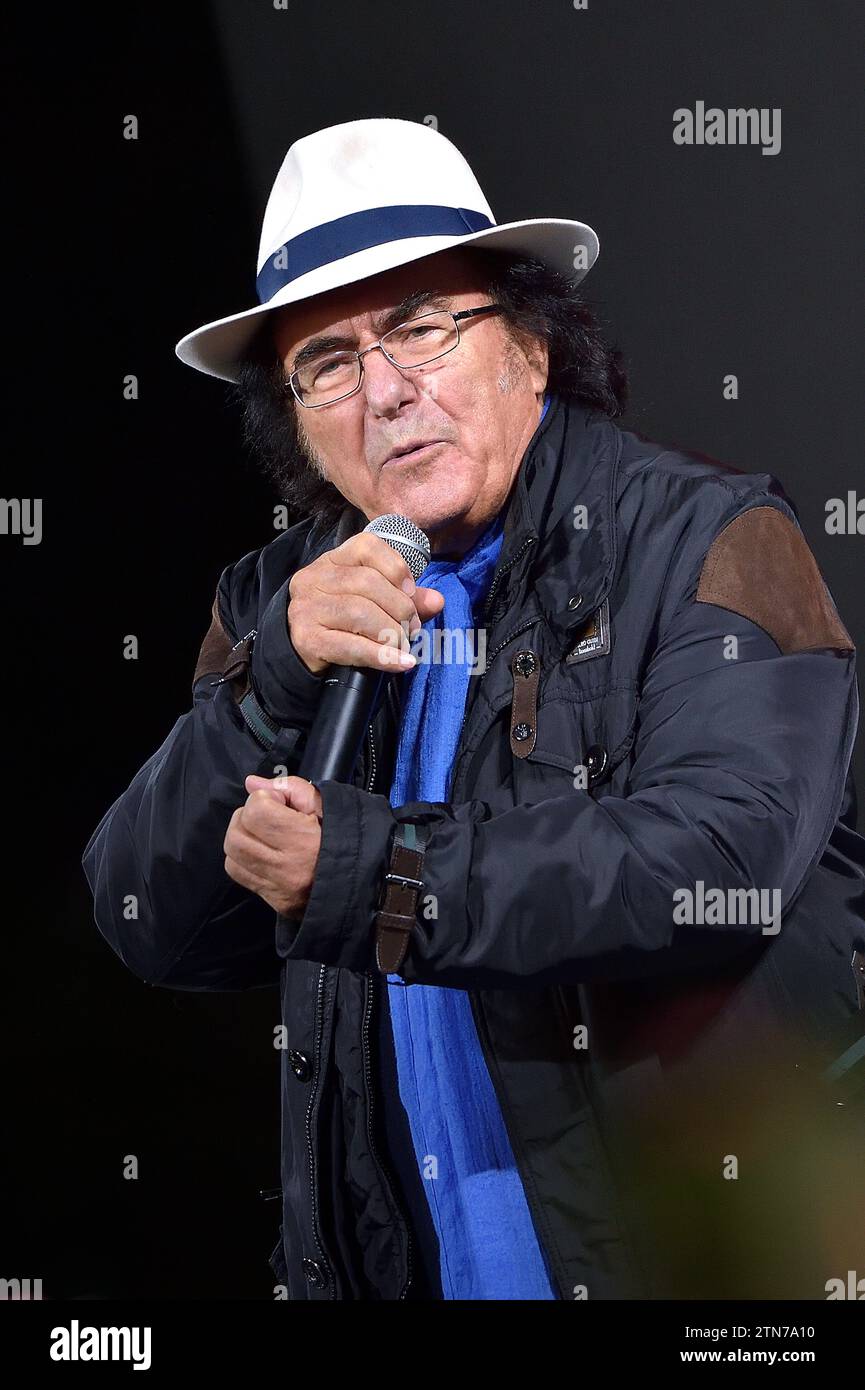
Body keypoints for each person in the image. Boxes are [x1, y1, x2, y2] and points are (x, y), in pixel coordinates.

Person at [83, 117, 865, 1300]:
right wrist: (273, 683)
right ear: (293, 419)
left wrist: (365, 873)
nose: (386, 392)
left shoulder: (709, 537)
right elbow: (150, 916)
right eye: (329, 362)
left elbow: (720, 854)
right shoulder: (276, 606)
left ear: (532, 351)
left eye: (421, 328)